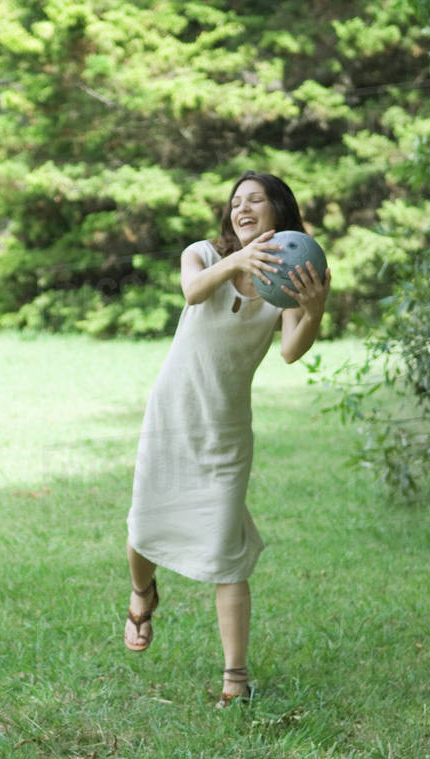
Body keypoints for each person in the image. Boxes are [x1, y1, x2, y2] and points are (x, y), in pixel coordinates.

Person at [124, 170, 330, 707]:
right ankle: (142, 594)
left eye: (256, 200)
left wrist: (313, 309)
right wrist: (237, 261)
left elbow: (292, 350)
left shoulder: (285, 281)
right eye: (236, 201)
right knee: (143, 527)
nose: (243, 208)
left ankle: (235, 679)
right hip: (172, 414)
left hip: (227, 429)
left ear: (278, 211)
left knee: (227, 549)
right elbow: (193, 292)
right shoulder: (204, 255)